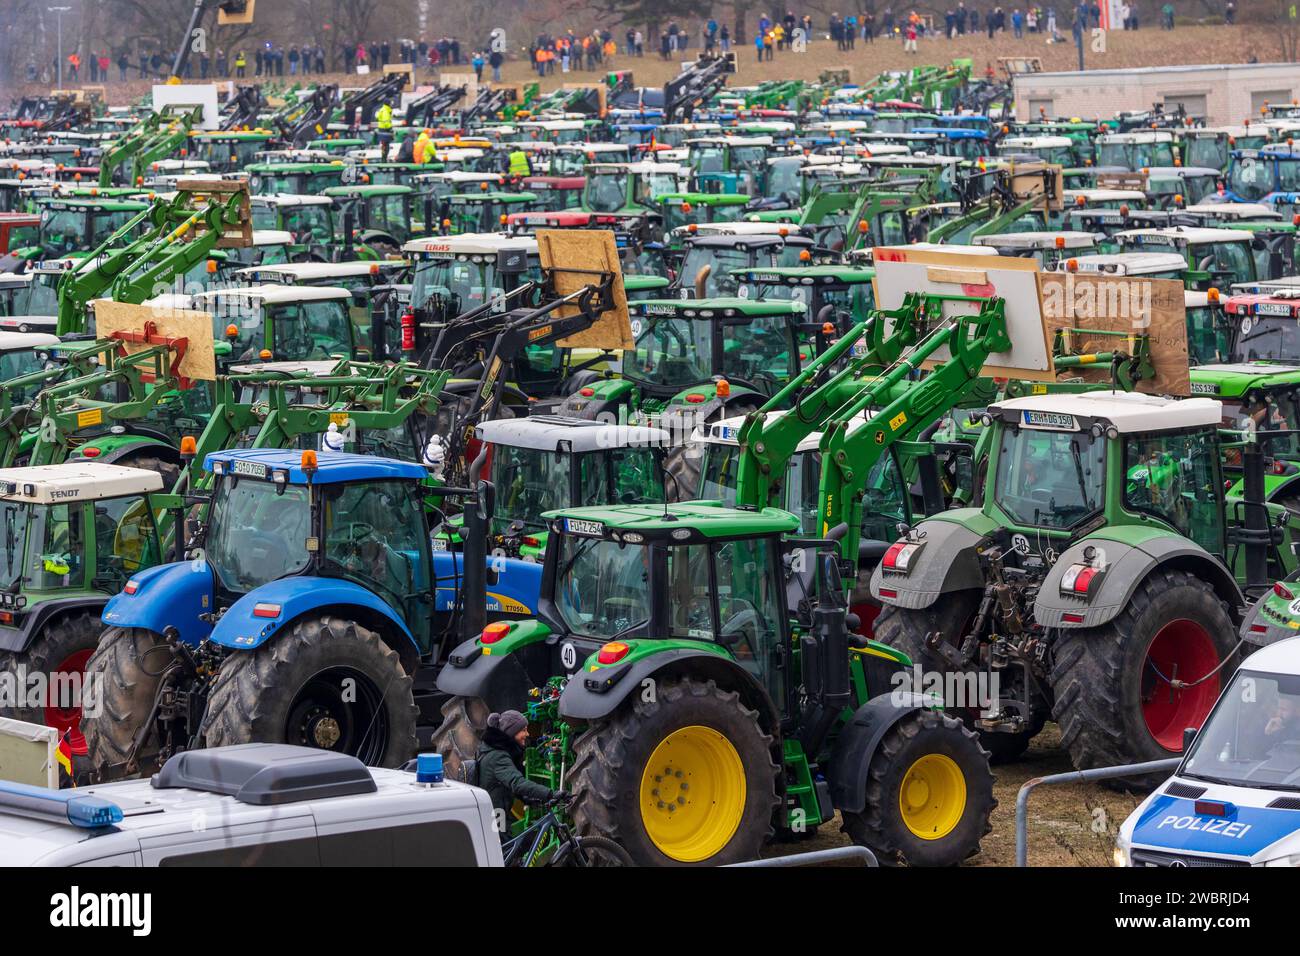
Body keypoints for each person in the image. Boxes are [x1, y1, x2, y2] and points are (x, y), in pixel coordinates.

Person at [476, 710, 557, 837]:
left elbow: (503, 783)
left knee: (505, 849)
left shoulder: (491, 749)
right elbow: (517, 783)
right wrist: (550, 793)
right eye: (523, 730)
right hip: (496, 816)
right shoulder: (498, 756)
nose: (528, 734)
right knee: (501, 850)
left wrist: (526, 798)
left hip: (493, 812)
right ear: (511, 732)